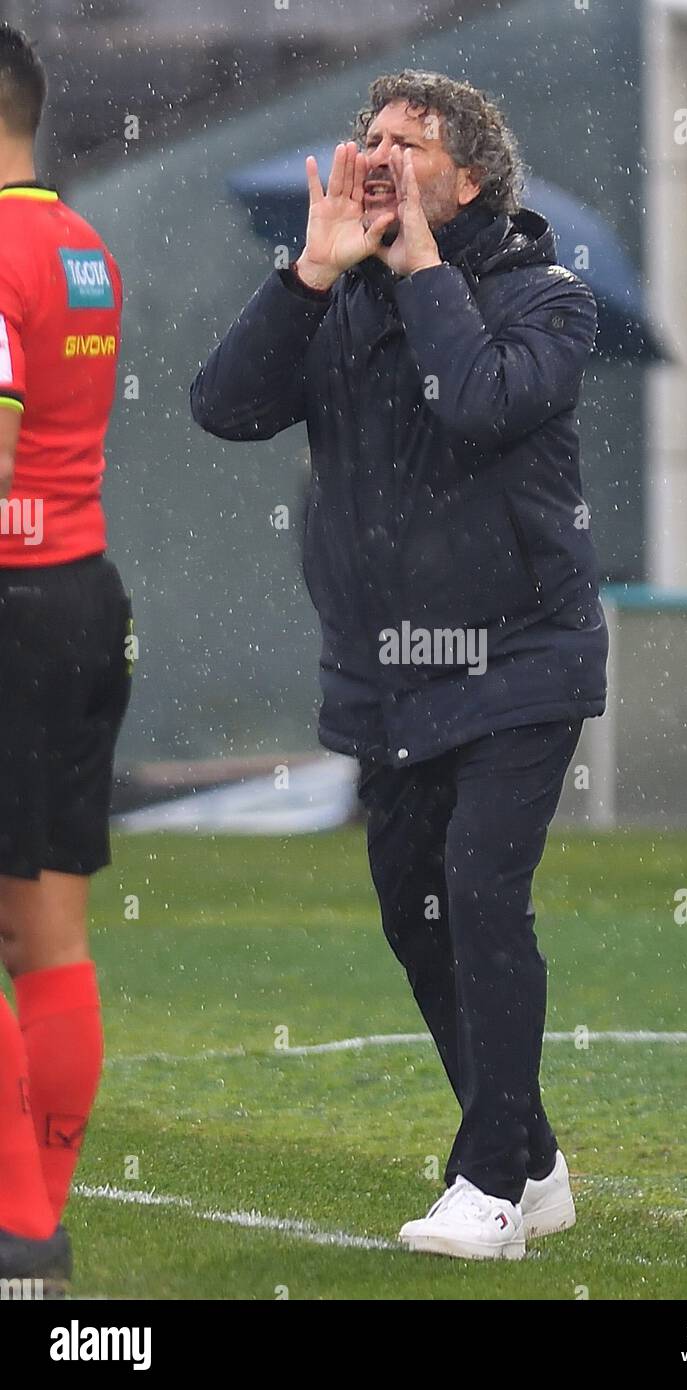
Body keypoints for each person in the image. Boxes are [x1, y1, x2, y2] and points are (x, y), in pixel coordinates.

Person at [191, 70, 607, 1261]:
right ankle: (529, 1157)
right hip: (384, 674)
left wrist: (420, 266)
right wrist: (307, 275)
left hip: (520, 656)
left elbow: (476, 401)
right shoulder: (338, 295)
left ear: (465, 181)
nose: (375, 157)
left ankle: (484, 1188)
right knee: (414, 918)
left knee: (479, 894)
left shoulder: (548, 298)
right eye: (366, 137)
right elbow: (223, 405)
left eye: (406, 145)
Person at [0, 23, 130, 1295]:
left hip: (9, 604)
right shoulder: (84, 248)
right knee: (49, 935)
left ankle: (17, 1225)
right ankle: (34, 1227)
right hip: (78, 595)